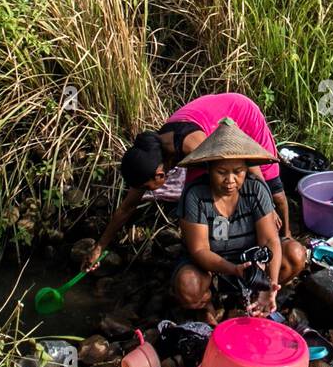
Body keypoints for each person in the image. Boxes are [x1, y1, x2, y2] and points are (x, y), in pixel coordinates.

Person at [83, 92, 294, 270]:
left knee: (275, 192)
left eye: (148, 189)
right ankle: (218, 250)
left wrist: (267, 203)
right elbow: (127, 207)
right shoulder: (152, 157)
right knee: (202, 194)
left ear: (159, 176)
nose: (146, 192)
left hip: (240, 113)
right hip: (210, 128)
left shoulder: (194, 147)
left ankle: (286, 235)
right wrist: (100, 246)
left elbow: (242, 158)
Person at [171, 119, 307, 319]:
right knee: (188, 287)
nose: (230, 180)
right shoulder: (195, 195)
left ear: (246, 169)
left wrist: (270, 283)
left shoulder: (255, 189)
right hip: (211, 265)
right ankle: (210, 304)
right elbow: (199, 250)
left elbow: (269, 240)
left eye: (238, 172)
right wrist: (233, 270)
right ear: (208, 168)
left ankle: (254, 296)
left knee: (295, 254)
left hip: (250, 262)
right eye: (222, 172)